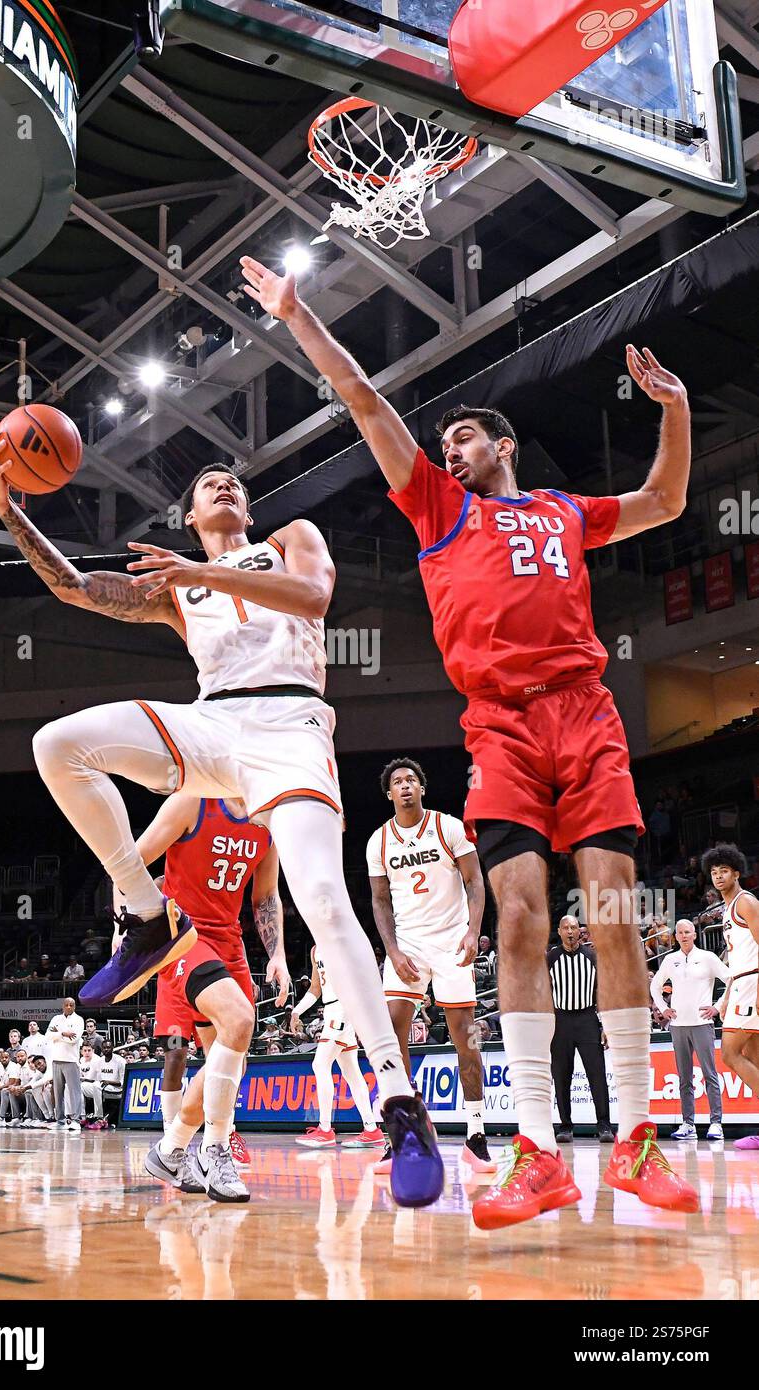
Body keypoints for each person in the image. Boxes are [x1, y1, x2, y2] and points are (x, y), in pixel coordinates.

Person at [241, 253, 699, 1225]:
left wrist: (671, 410)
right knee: (524, 919)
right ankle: (535, 1149)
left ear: (502, 446)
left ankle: (633, 1139)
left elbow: (662, 502)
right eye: (441, 441)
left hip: (583, 713)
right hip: (498, 725)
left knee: (611, 914)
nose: (446, 451)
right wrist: (294, 314)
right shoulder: (437, 507)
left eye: (462, 438)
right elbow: (363, 401)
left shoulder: (562, 511)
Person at [0, 416, 443, 1209]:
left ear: (246, 511)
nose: (223, 485)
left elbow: (313, 595)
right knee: (58, 743)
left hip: (292, 727)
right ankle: (144, 909)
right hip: (215, 724)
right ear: (190, 515)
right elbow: (78, 588)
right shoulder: (178, 585)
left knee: (326, 905)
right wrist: (9, 508)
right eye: (206, 486)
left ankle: (401, 1109)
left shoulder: (289, 538)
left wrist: (207, 570)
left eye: (234, 482)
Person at [124, 790, 290, 1195]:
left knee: (231, 1062)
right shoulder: (193, 803)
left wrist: (278, 953)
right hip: (183, 937)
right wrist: (125, 926)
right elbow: (129, 862)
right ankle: (214, 1150)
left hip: (229, 943)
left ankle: (172, 1148)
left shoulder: (268, 823)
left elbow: (266, 897)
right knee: (229, 1025)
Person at [366, 757, 494, 1174]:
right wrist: (392, 950)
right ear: (389, 794)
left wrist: (474, 931)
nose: (405, 786)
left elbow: (476, 882)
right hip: (408, 947)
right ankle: (402, 1132)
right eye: (397, 782)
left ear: (422, 788)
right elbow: (380, 901)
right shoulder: (378, 841)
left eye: (411, 780)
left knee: (467, 1038)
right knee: (391, 1034)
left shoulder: (448, 827)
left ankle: (475, 1135)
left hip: (453, 943)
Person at [290, 945, 384, 1150]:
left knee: (320, 1064)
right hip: (332, 1008)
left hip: (343, 1007)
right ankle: (371, 1130)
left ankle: (325, 1129)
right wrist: (296, 1012)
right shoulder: (315, 949)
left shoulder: (339, 939)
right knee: (351, 1073)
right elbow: (316, 989)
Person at [650, 918, 729, 1141]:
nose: (684, 936)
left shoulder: (708, 958)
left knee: (710, 1075)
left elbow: (730, 979)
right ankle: (688, 1124)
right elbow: (655, 986)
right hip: (678, 1026)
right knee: (684, 1078)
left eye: (688, 932)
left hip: (702, 1024)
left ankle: (716, 1123)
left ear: (695, 934)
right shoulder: (670, 959)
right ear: (676, 936)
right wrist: (664, 1008)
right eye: (680, 933)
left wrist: (717, 1007)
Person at [705, 845, 759, 1151]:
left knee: (729, 1054)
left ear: (736, 873)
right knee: (754, 1059)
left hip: (753, 983)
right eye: (714, 872)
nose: (718, 876)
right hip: (741, 983)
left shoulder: (746, 902)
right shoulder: (728, 909)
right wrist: (726, 996)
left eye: (724, 871)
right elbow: (739, 959)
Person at [547, 916, 613, 1144]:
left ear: (580, 931)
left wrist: (605, 1024)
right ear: (559, 931)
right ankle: (565, 1126)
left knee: (597, 1075)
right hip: (560, 1021)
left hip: (587, 1019)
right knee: (561, 1076)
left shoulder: (592, 956)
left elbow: (603, 993)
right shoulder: (551, 957)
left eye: (574, 927)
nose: (570, 931)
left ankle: (604, 1125)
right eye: (565, 927)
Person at [47, 997, 85, 1132]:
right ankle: (60, 1120)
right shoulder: (56, 1019)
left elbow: (74, 1040)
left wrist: (57, 1036)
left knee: (74, 1091)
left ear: (74, 1007)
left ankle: (75, 1120)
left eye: (71, 1005)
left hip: (71, 1060)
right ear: (63, 1006)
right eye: (66, 1005)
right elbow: (48, 1035)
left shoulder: (79, 1020)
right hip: (56, 1059)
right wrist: (63, 1033)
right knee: (58, 1093)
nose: (69, 1007)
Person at [79, 1044, 105, 1129]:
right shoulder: (81, 1060)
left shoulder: (97, 1060)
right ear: (81, 1052)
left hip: (98, 1084)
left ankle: (99, 1117)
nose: (87, 1053)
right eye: (85, 1051)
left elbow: (90, 1078)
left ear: (93, 1051)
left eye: (89, 1050)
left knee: (89, 1086)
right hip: (86, 1084)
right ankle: (82, 1117)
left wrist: (80, 1079)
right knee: (76, 1087)